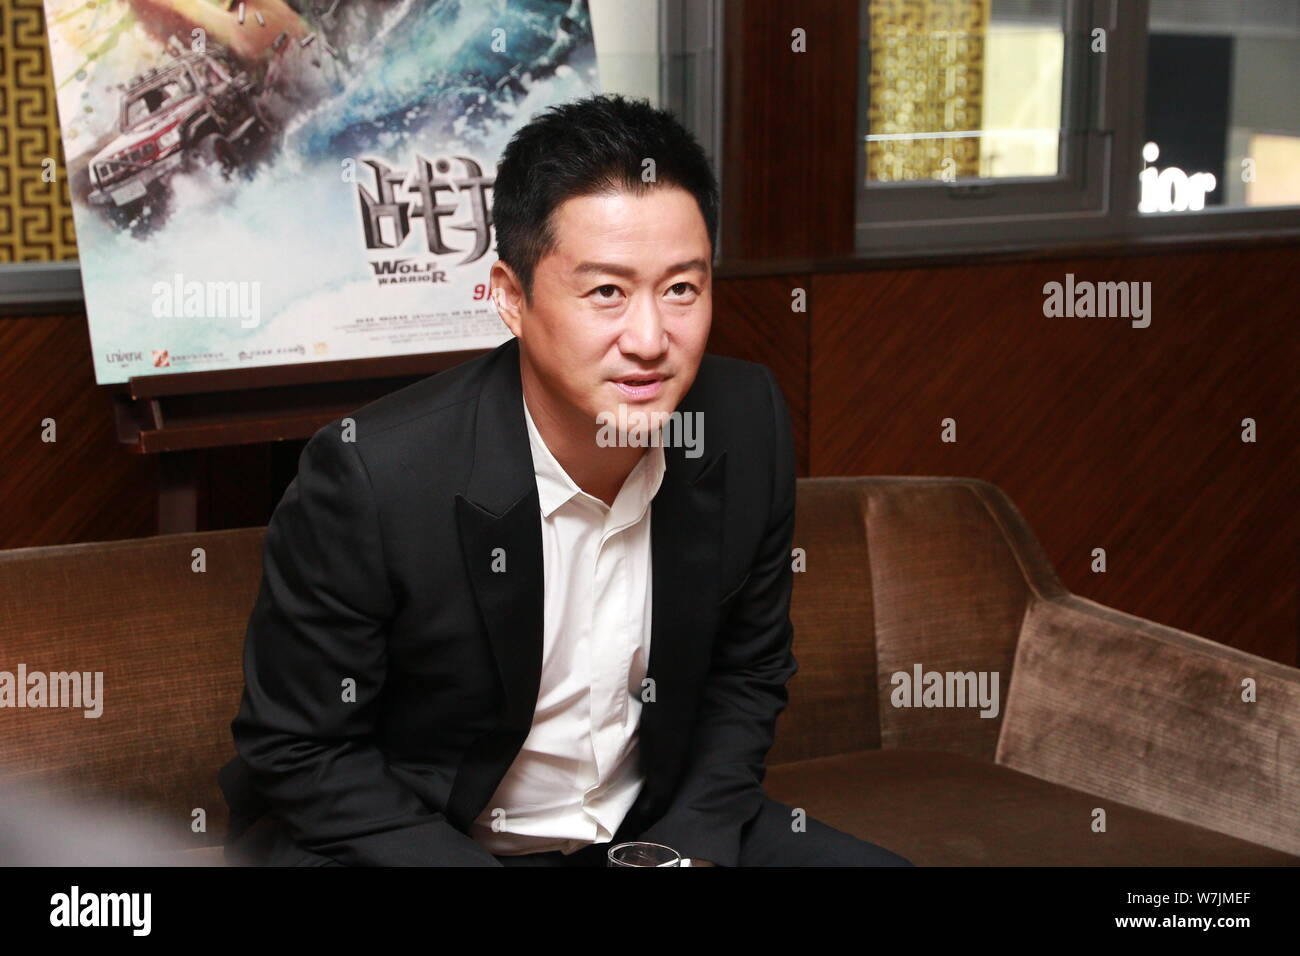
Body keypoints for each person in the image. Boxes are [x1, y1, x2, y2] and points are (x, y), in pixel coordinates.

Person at [219, 93, 912, 868]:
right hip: (418, 842)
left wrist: (684, 850)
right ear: (511, 298)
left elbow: (748, 674)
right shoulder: (374, 474)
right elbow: (298, 750)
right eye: (606, 292)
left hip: (643, 832)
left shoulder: (743, 420)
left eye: (682, 288)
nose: (651, 340)